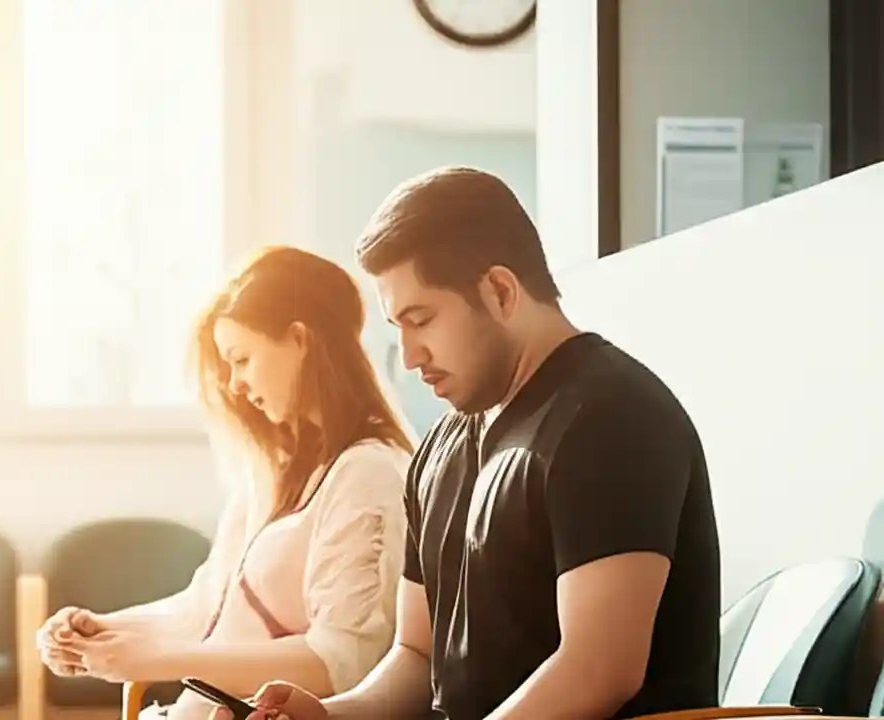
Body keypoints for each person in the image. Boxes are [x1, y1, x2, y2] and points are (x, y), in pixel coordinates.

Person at [223, 168, 721, 720]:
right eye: (398, 328)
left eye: (422, 321)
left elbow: (598, 669)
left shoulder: (612, 418)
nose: (410, 357)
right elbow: (415, 658)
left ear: (501, 291)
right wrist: (325, 716)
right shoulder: (439, 452)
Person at [35, 246, 417, 718]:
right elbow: (204, 609)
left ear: (300, 341)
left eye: (241, 359)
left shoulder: (368, 474)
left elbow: (341, 663)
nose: (234, 385)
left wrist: (154, 659)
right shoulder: (276, 474)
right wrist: (104, 633)